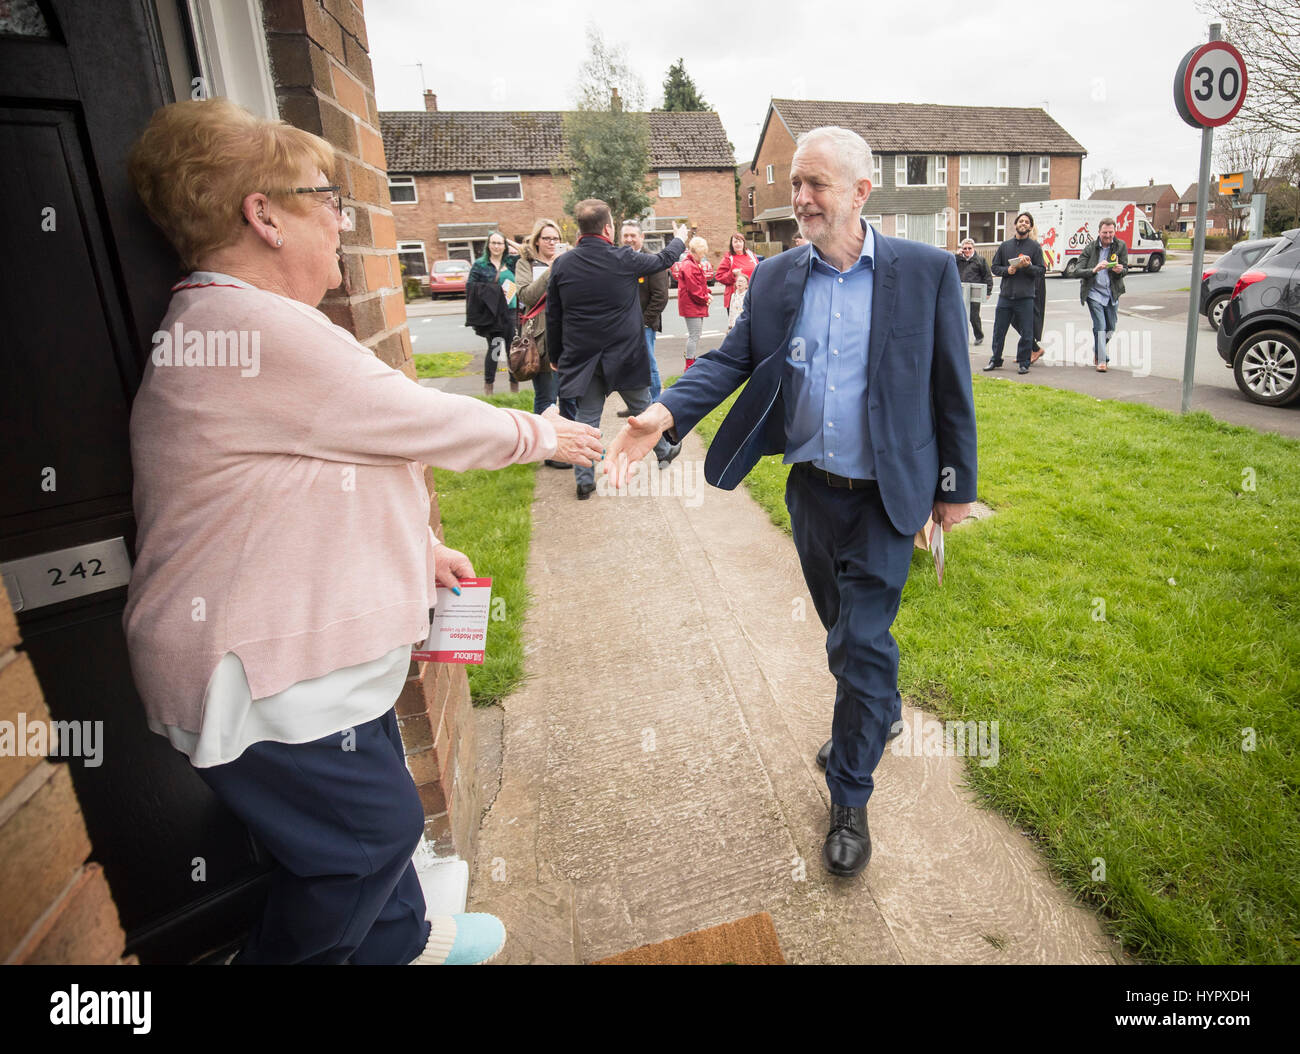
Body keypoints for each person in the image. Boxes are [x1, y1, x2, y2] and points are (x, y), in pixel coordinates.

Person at [123, 98, 604, 965]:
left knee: (373, 816)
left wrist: (417, 550)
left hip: (307, 669)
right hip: (263, 675)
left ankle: (403, 940)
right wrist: (551, 435)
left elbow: (297, 490)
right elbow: (411, 420)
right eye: (326, 199)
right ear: (263, 214)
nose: (342, 221)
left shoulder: (245, 323)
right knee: (365, 842)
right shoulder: (247, 328)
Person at [606, 126, 977, 879]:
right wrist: (666, 413)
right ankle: (881, 709)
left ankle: (849, 791)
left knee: (858, 645)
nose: (800, 198)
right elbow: (735, 359)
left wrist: (955, 490)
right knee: (846, 631)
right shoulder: (777, 279)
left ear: (862, 192)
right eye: (795, 184)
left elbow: (951, 387)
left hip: (887, 496)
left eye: (817, 185)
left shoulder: (926, 272)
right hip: (811, 491)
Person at [546, 199, 687, 500]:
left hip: (583, 359)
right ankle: (663, 451)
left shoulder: (562, 264)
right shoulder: (623, 258)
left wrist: (556, 356)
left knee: (586, 420)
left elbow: (553, 316)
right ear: (608, 228)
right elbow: (663, 259)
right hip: (624, 356)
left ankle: (585, 482)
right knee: (642, 409)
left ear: (580, 228)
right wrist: (680, 239)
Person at [618, 219, 670, 415]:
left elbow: (661, 297)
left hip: (643, 326)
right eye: (626, 236)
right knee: (629, 366)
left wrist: (642, 323)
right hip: (622, 326)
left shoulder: (653, 261)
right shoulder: (618, 259)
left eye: (633, 235)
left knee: (648, 365)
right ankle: (637, 406)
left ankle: (654, 406)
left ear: (642, 237)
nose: (629, 239)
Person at [984, 212, 1045, 375]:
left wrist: (1028, 266)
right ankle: (995, 359)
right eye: (1021, 221)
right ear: (1015, 225)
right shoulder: (1005, 246)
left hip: (1025, 297)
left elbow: (1041, 270)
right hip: (1006, 296)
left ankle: (1024, 363)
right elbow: (994, 267)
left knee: (1026, 331)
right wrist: (1007, 270)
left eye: (1027, 222)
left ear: (1030, 227)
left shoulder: (1034, 247)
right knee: (999, 330)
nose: (1023, 224)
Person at [514, 218, 564, 415]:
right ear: (537, 240)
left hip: (568, 338)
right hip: (541, 341)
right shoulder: (525, 263)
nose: (551, 242)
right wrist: (550, 270)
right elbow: (527, 296)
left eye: (555, 238)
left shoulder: (567, 260)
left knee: (572, 398)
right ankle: (542, 442)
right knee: (547, 399)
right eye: (546, 238)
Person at [467, 231, 519, 395]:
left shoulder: (511, 262)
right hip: (494, 315)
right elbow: (471, 288)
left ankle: (514, 389)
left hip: (511, 313)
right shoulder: (480, 265)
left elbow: (528, 252)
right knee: (495, 349)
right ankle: (489, 388)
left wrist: (510, 241)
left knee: (513, 351)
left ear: (505, 246)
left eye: (500, 243)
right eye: (493, 243)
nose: (497, 246)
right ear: (488, 245)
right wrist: (493, 291)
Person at [1076, 217, 1127, 373]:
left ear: (1115, 231)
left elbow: (1125, 268)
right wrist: (1094, 269)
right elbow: (1077, 270)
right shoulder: (1090, 248)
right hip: (1093, 293)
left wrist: (1120, 270)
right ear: (1099, 232)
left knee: (1111, 327)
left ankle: (1098, 349)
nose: (1108, 235)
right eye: (1105, 232)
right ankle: (1102, 361)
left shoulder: (1120, 246)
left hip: (1112, 293)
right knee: (1100, 326)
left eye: (1111, 232)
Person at [676, 236, 712, 369]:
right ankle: (689, 363)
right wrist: (706, 298)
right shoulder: (689, 266)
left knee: (695, 334)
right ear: (695, 251)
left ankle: (691, 359)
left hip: (693, 305)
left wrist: (707, 292)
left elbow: (699, 285)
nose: (702, 256)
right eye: (702, 253)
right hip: (692, 305)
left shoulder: (691, 264)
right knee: (694, 335)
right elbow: (694, 289)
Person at [954, 238, 993, 344]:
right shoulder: (958, 260)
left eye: (969, 248)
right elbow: (950, 265)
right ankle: (960, 337)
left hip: (974, 292)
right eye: (965, 248)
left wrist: (988, 291)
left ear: (973, 248)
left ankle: (979, 336)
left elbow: (987, 276)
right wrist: (957, 256)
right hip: (960, 291)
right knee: (958, 316)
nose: (967, 250)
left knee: (973, 316)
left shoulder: (980, 260)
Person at [716, 232, 759, 313]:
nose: (738, 244)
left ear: (744, 243)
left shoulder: (751, 255)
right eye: (735, 242)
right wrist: (732, 274)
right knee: (736, 324)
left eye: (740, 241)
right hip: (736, 298)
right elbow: (719, 276)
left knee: (752, 324)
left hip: (751, 296)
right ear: (731, 244)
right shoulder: (728, 258)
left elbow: (758, 272)